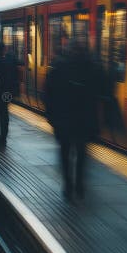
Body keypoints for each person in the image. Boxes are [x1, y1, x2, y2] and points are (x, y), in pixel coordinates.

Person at [44, 40, 100, 200]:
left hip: (63, 119)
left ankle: (68, 186)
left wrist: (51, 117)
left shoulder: (58, 67)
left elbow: (48, 94)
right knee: (82, 153)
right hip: (84, 120)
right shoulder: (92, 68)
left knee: (65, 152)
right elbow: (100, 93)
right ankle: (79, 185)